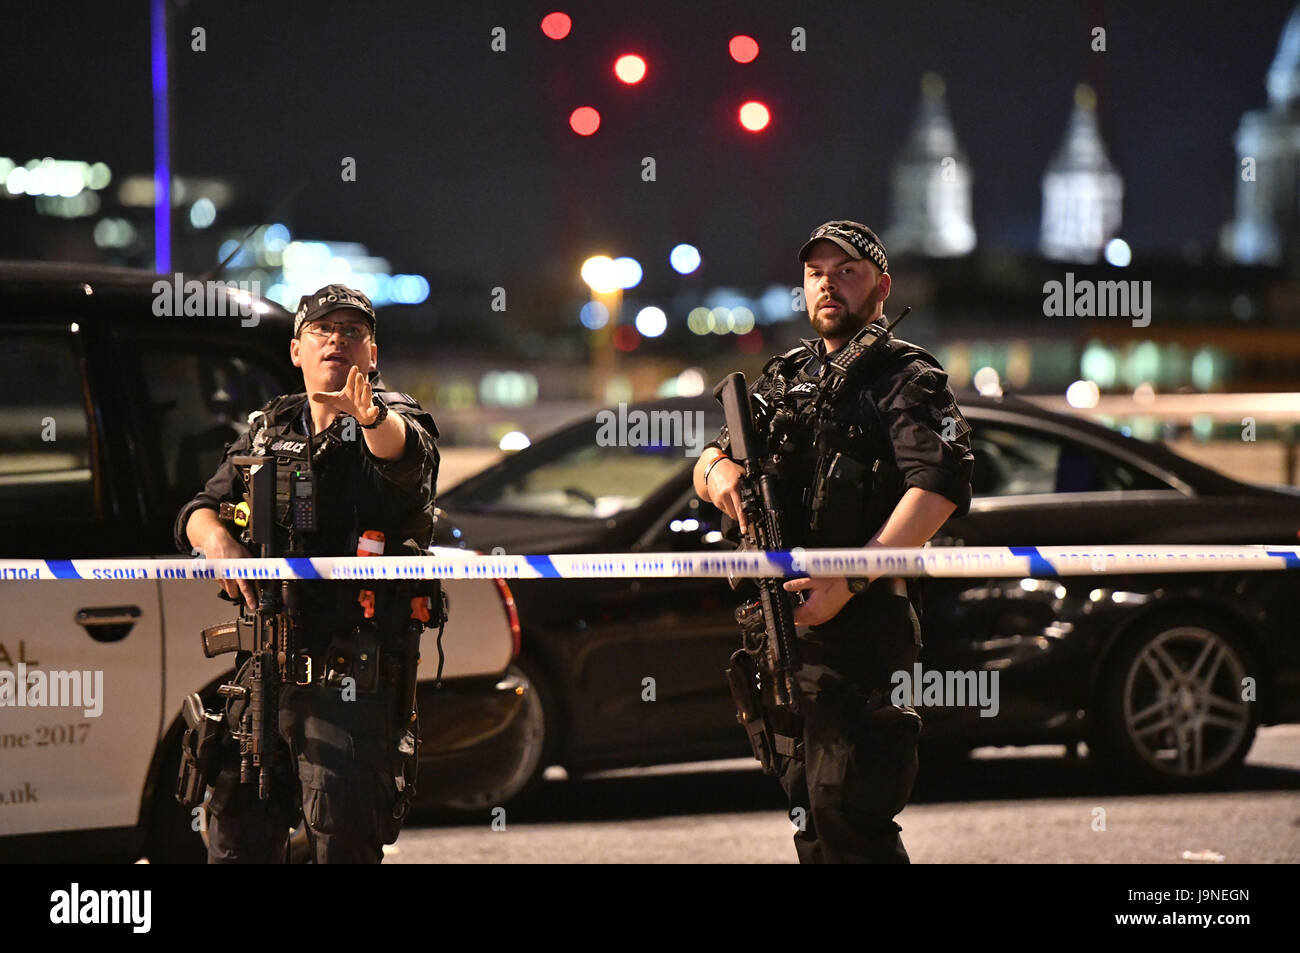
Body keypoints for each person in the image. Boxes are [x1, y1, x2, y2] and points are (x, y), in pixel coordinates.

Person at [693, 221, 975, 863]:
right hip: (784, 627)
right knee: (813, 818)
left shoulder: (904, 375)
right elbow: (708, 459)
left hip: (864, 627)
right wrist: (720, 475)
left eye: (846, 271)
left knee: (851, 815)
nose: (828, 284)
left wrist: (849, 582)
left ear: (881, 287)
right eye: (816, 273)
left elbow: (938, 485)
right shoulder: (786, 375)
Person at [176, 283, 440, 863]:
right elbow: (197, 510)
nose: (337, 342)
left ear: (372, 354)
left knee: (341, 847)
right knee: (235, 845)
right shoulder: (270, 427)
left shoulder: (393, 421)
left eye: (353, 333)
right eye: (323, 331)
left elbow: (403, 457)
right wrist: (217, 539)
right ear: (297, 350)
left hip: (348, 682)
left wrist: (368, 415)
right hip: (262, 674)